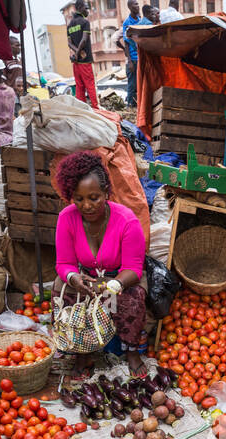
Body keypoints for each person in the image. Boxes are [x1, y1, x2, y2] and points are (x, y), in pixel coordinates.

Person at [53, 151, 149, 380]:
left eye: (94, 197)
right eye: (79, 198)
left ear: (106, 193)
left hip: (121, 277)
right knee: (61, 286)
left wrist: (114, 285)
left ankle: (132, 351)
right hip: (87, 278)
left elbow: (134, 268)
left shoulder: (127, 221)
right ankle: (80, 351)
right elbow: (64, 263)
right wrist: (74, 278)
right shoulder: (67, 218)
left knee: (133, 297)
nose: (86, 205)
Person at [68, 0, 99, 109]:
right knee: (90, 85)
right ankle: (96, 109)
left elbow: (69, 43)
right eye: (86, 8)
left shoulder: (70, 24)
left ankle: (81, 109)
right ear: (80, 8)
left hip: (76, 62)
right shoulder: (85, 22)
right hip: (85, 61)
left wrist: (75, 53)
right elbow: (84, 39)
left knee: (79, 86)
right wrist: (79, 52)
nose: (88, 11)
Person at [121, 0, 148, 109]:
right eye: (135, 4)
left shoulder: (140, 20)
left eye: (137, 4)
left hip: (142, 57)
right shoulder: (127, 22)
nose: (137, 6)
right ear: (129, 7)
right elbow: (126, 42)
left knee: (141, 84)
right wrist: (130, 61)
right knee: (132, 84)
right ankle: (130, 106)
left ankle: (139, 105)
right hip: (134, 59)